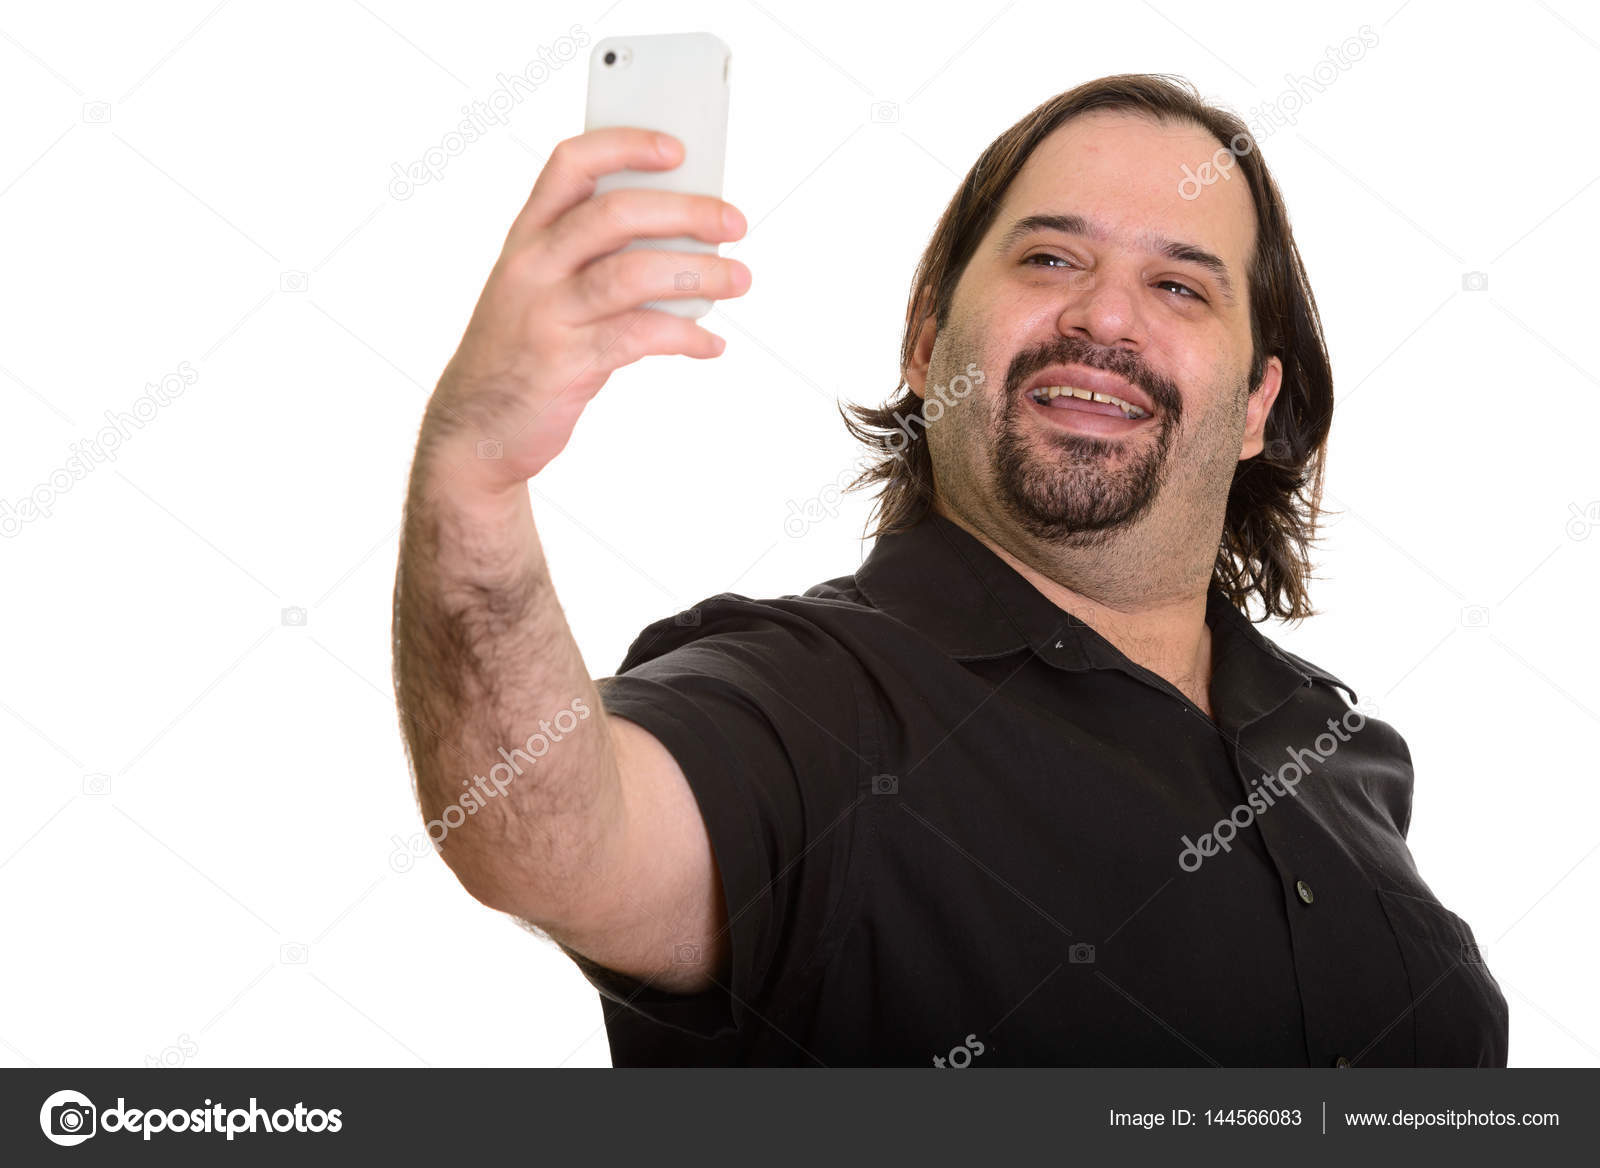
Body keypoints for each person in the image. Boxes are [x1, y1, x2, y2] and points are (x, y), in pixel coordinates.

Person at [392, 73, 1508, 1067]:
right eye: (1049, 257)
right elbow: (547, 836)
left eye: (1181, 287)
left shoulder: (1343, 753)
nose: (1104, 315)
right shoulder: (812, 703)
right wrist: (474, 483)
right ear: (927, 344)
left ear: (1258, 402)